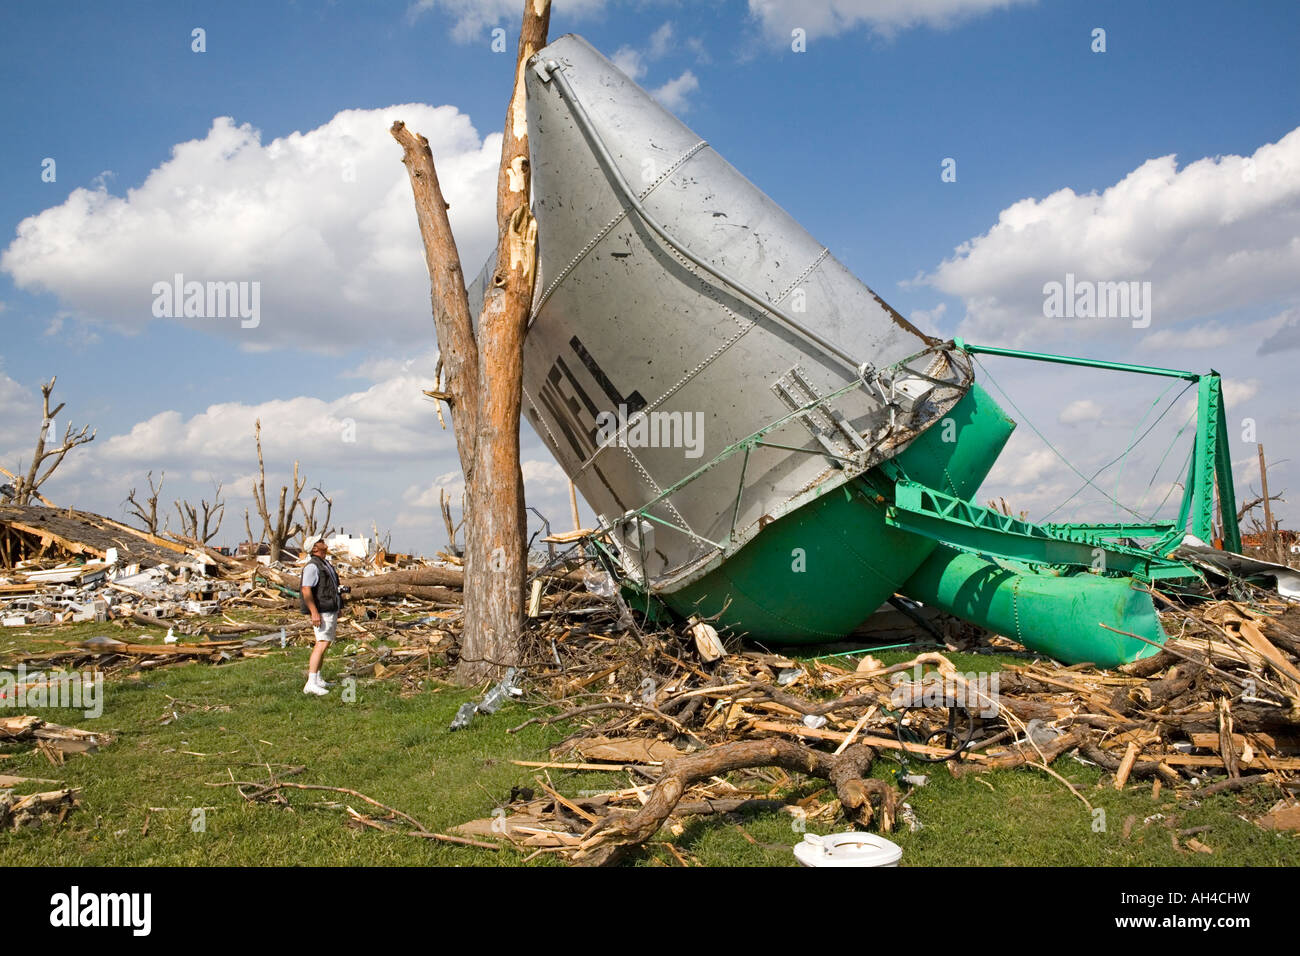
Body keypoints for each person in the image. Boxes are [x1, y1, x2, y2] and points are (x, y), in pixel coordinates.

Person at [300, 537, 342, 695]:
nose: (324, 542)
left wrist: (338, 605)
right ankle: (310, 683)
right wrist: (314, 612)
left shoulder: (324, 563)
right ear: (315, 548)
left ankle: (317, 678)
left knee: (325, 644)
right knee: (321, 643)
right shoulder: (312, 566)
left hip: (329, 609)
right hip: (321, 611)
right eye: (320, 541)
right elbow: (306, 590)